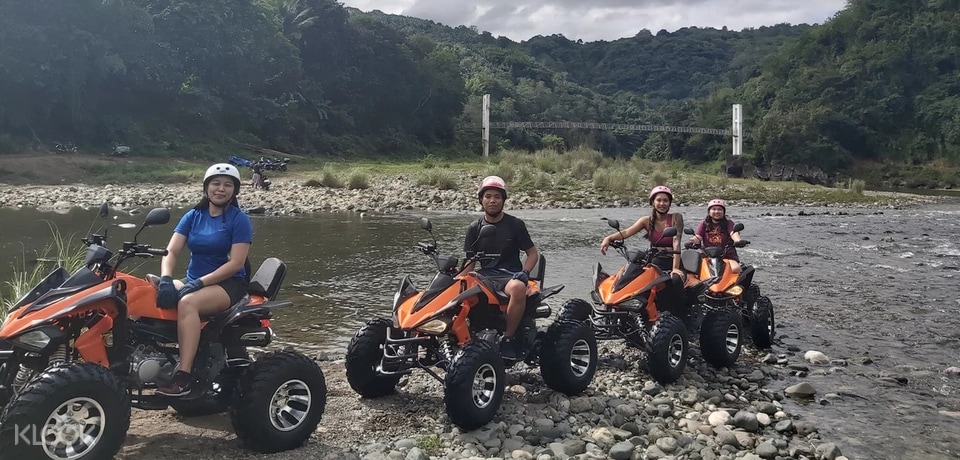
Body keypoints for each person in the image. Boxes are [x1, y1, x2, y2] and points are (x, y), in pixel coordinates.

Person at [155, 163, 253, 397]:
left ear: (235, 191)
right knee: (147, 288)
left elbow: (236, 263)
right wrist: (167, 278)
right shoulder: (193, 216)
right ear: (206, 188)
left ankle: (184, 375)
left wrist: (200, 283)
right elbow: (172, 252)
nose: (221, 189)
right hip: (192, 281)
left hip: (227, 284)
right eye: (216, 184)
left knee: (188, 303)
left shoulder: (239, 220)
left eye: (228, 185)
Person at [461, 176, 538, 360]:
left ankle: (508, 338)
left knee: (518, 287)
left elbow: (532, 254)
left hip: (509, 275)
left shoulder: (515, 225)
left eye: (497, 196)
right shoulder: (474, 228)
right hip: (483, 276)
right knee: (455, 291)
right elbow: (470, 261)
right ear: (481, 200)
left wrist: (525, 273)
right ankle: (460, 337)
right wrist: (456, 277)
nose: (492, 200)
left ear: (503, 200)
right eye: (488, 196)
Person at [599, 185, 685, 307]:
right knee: (629, 276)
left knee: (675, 280)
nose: (662, 203)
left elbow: (676, 241)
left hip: (672, 260)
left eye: (665, 200)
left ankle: (679, 314)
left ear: (670, 203)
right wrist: (609, 238)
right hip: (654, 261)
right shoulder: (646, 220)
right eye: (659, 200)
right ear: (653, 202)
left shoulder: (676, 217)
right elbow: (627, 232)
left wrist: (675, 268)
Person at [688, 198, 743, 273]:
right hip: (707, 256)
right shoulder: (704, 224)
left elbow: (733, 233)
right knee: (693, 270)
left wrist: (738, 241)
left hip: (727, 256)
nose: (717, 211)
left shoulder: (729, 223)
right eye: (714, 209)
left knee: (736, 269)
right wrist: (691, 241)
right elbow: (698, 237)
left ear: (724, 212)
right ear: (709, 211)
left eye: (720, 209)